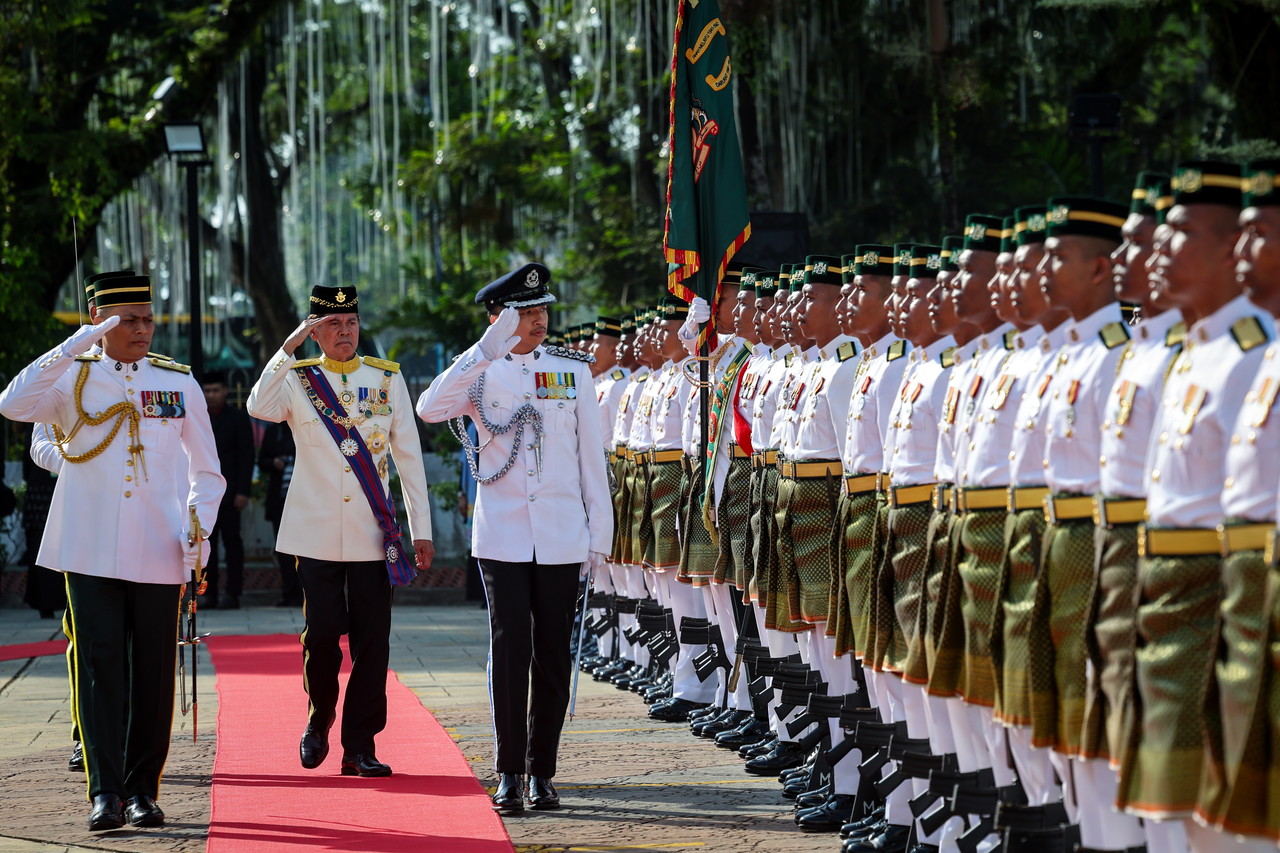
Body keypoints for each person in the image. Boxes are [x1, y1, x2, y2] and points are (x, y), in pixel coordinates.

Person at [0, 271, 225, 831]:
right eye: (130, 321)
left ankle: (143, 789)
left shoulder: (178, 382)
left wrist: (198, 527)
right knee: (100, 663)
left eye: (147, 319)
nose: (143, 330)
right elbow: (11, 403)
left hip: (158, 543)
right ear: (103, 322)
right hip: (89, 544)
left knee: (152, 668)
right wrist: (75, 343)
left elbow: (207, 471)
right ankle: (104, 791)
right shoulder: (71, 378)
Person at [416, 262, 613, 816]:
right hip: (502, 535)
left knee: (552, 652)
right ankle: (509, 771)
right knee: (510, 650)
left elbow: (590, 459)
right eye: (526, 313)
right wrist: (482, 349)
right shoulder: (479, 370)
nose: (539, 321)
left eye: (543, 310)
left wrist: (600, 531)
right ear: (499, 319)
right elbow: (429, 409)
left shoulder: (571, 371)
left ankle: (542, 772)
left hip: (559, 533)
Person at [246, 284, 434, 779]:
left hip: (375, 535)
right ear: (315, 331)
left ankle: (361, 745)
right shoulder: (297, 379)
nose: (344, 332)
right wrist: (287, 348)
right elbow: (257, 407)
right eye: (332, 324)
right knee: (322, 635)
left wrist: (421, 530)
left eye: (350, 323)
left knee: (374, 641)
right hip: (315, 534)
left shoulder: (386, 379)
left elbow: (408, 460)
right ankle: (319, 718)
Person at [200, 370, 254, 609]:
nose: (211, 395)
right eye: (207, 391)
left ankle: (233, 593)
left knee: (233, 544)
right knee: (204, 544)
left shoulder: (238, 418)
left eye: (215, 390)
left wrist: (243, 491)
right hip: (203, 492)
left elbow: (247, 456)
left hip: (231, 492)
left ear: (225, 391)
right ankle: (207, 593)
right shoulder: (198, 417)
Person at [256, 419, 302, 606]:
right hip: (279, 498)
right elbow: (262, 460)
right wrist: (274, 462)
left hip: (302, 498)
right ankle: (289, 593)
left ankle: (305, 594)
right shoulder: (273, 431)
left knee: (304, 550)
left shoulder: (303, 426)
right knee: (283, 550)